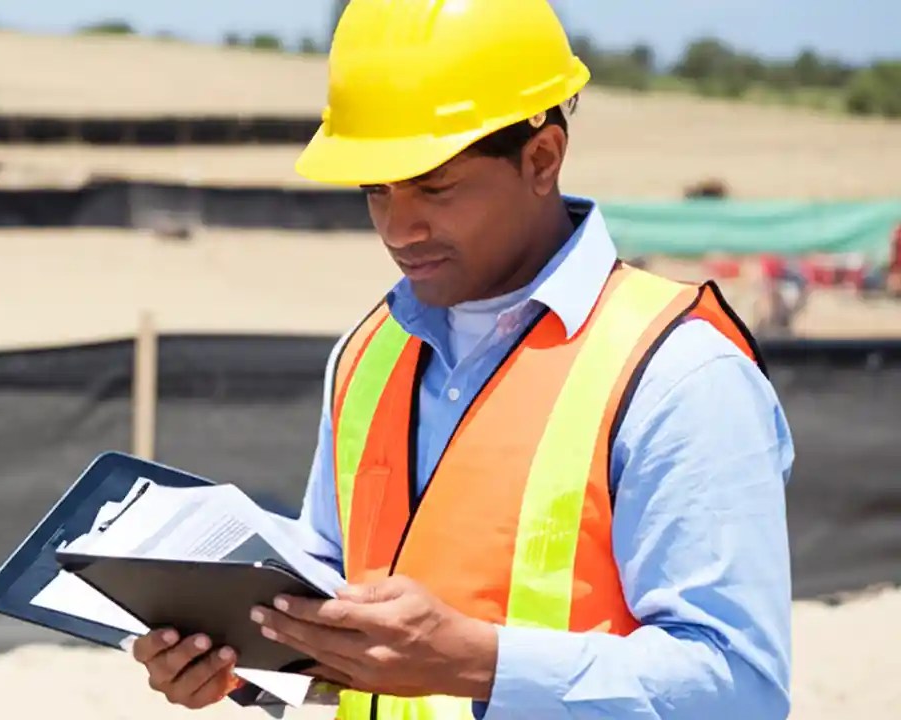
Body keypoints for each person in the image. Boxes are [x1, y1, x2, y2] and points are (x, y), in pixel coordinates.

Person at [130, 0, 794, 718]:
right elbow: (338, 604)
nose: (398, 227)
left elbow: (740, 690)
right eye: (374, 190)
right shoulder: (370, 352)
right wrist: (244, 661)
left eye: (433, 186)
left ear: (542, 158)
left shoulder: (680, 375)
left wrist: (479, 661)